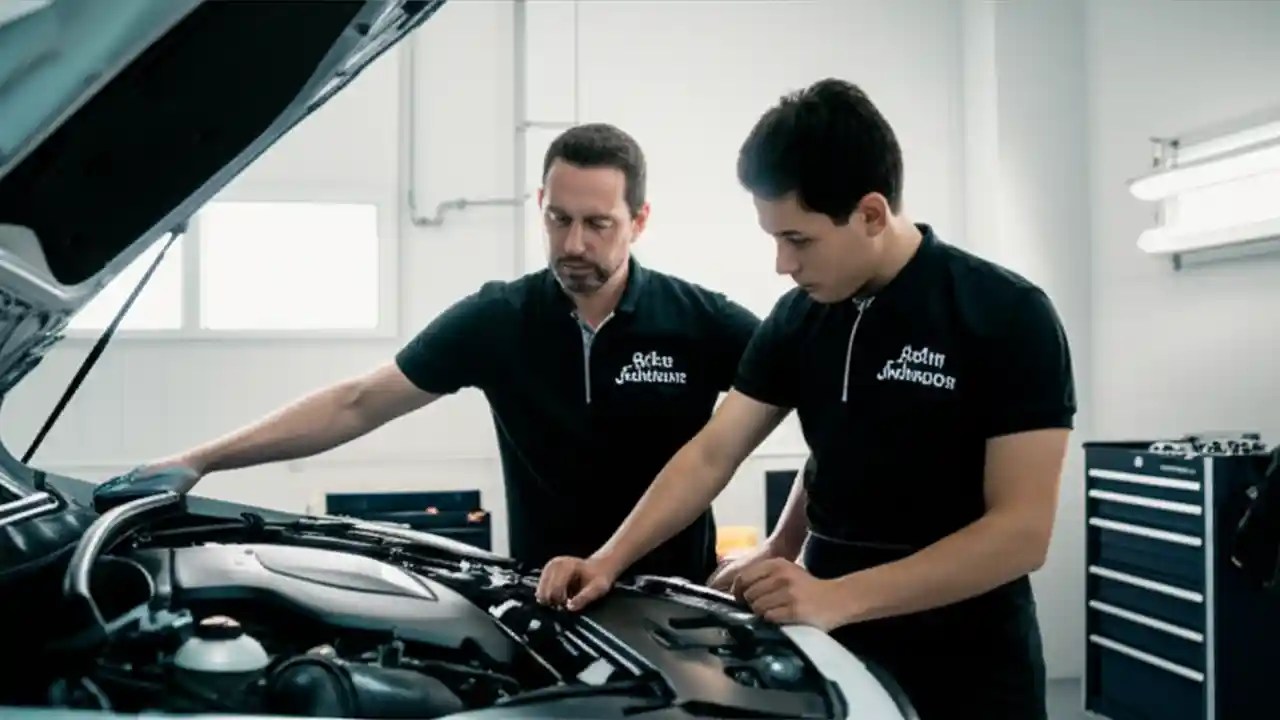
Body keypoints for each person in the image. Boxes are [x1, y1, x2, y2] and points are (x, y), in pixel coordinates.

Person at [534, 79, 1076, 720]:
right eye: (774, 238)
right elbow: (716, 452)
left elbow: (1020, 533)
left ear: (871, 214)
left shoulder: (1006, 315)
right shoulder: (800, 318)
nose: (781, 264)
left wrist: (841, 596)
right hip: (833, 644)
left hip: (970, 659)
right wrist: (609, 560)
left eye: (799, 240)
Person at [106, 122, 763, 583]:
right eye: (558, 219)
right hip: (546, 607)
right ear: (540, 205)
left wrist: (786, 547)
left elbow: (825, 396)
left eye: (598, 225)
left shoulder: (699, 321)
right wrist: (196, 461)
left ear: (639, 221)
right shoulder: (498, 319)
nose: (573, 245)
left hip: (677, 608)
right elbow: (358, 403)